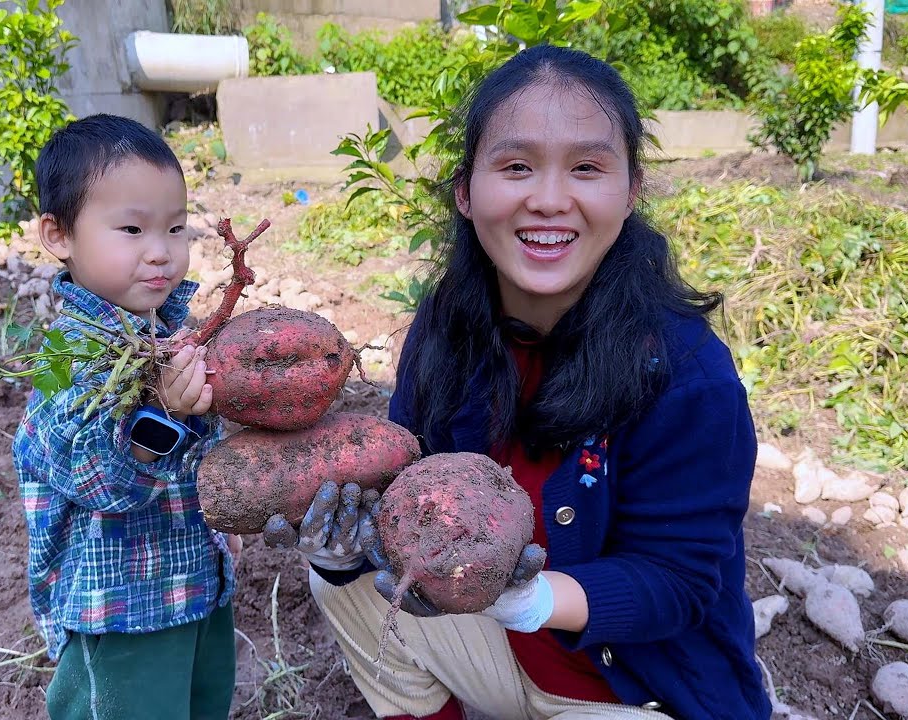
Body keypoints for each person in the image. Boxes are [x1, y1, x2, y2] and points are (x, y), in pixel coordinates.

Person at [264, 45, 771, 720]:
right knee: (345, 586)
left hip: (636, 693)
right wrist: (347, 548)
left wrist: (530, 598)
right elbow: (405, 492)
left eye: (587, 167)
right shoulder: (447, 327)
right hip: (502, 658)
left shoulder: (685, 373)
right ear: (466, 190)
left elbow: (677, 581)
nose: (550, 200)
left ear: (631, 189)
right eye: (516, 166)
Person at [12, 113, 237, 720]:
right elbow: (99, 482)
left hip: (198, 586)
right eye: (132, 229)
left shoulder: (172, 333)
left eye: (175, 228)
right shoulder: (69, 359)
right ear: (58, 235)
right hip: (121, 612)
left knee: (205, 704)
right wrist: (160, 410)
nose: (161, 252)